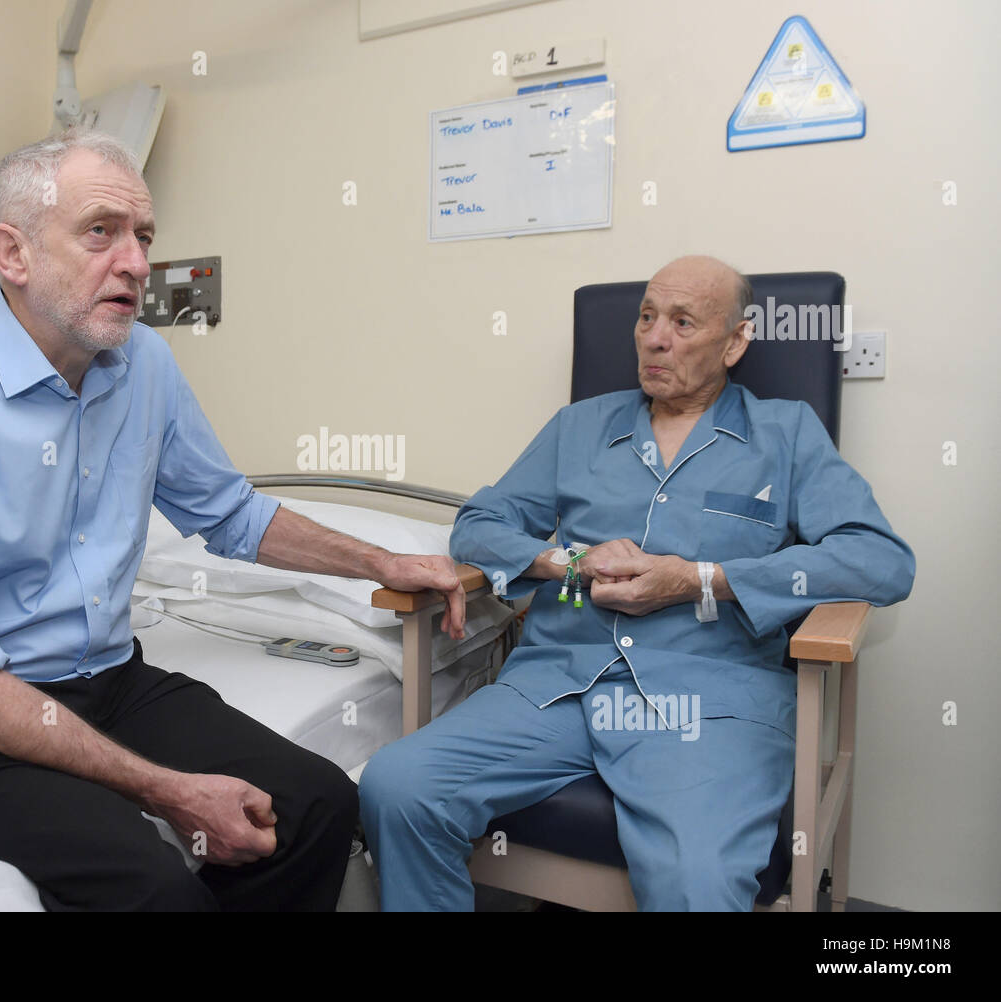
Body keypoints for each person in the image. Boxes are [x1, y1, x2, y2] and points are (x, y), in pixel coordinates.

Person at [0, 128, 466, 911]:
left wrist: (385, 564)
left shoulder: (144, 365)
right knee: (153, 886)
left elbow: (229, 512)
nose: (135, 262)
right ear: (13, 254)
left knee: (320, 806)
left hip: (100, 677)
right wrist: (170, 792)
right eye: (101, 231)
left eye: (143, 237)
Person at [359, 255, 915, 911]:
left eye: (683, 322)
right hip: (557, 685)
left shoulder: (784, 435)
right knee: (397, 783)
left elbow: (881, 561)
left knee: (697, 882)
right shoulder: (580, 427)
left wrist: (702, 579)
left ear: (735, 341)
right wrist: (563, 563)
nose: (655, 338)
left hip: (707, 702)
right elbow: (481, 523)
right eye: (647, 318)